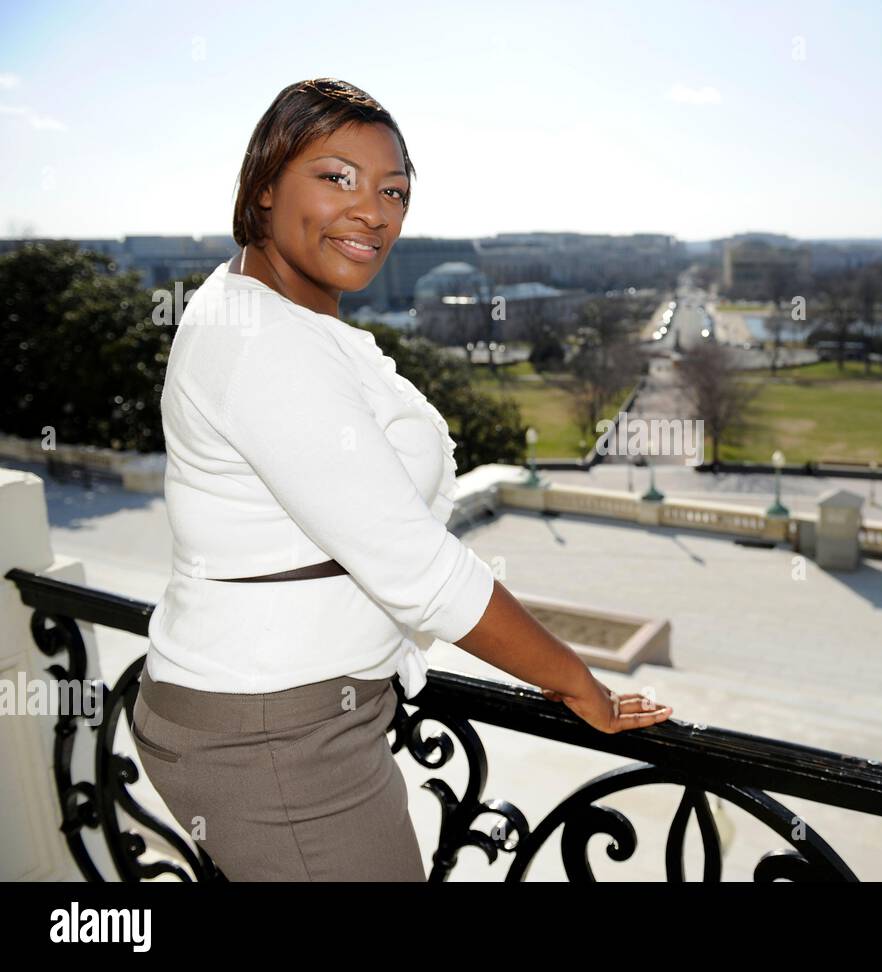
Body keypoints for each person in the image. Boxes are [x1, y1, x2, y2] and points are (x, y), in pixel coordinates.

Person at [132, 78, 672, 882]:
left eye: (394, 190)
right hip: (275, 742)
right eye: (337, 178)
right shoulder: (267, 344)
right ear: (265, 184)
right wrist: (576, 682)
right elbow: (417, 569)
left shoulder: (272, 308)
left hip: (283, 722)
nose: (374, 211)